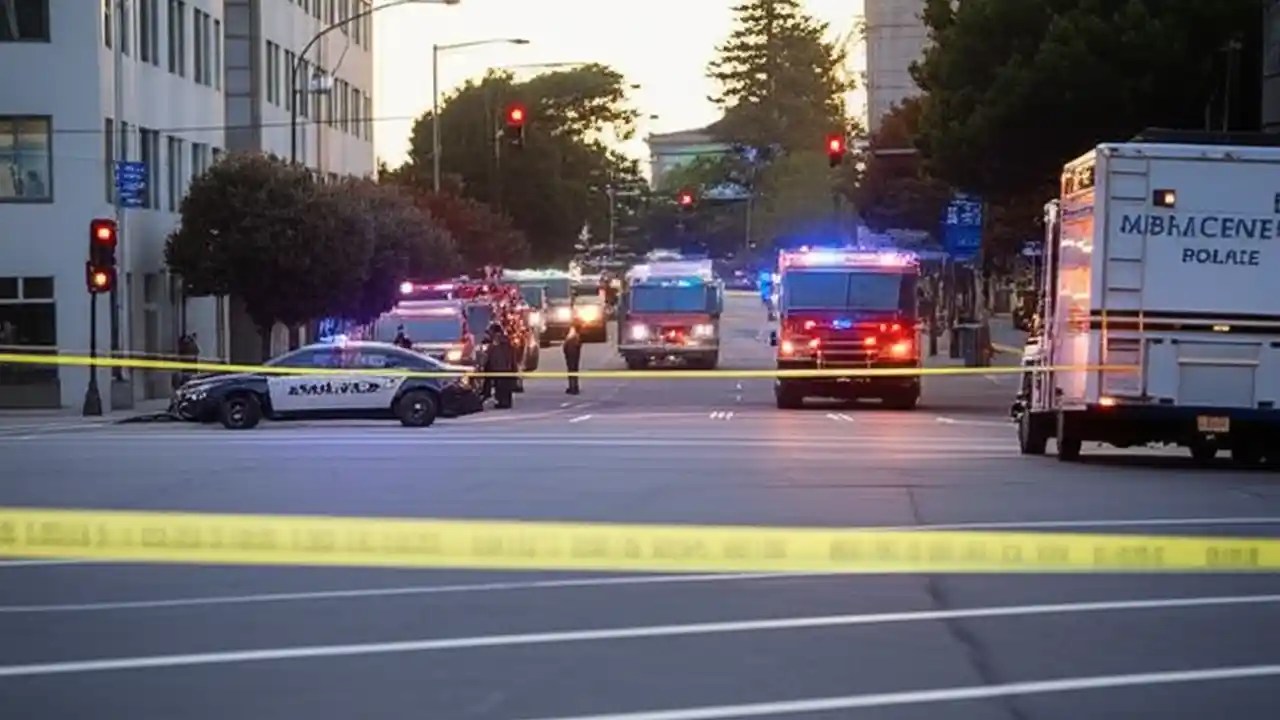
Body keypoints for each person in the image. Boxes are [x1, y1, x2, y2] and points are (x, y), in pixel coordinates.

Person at [483, 322, 517, 409]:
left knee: (500, 386)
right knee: (505, 387)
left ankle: (502, 401)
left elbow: (489, 355)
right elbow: (512, 355)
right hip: (507, 368)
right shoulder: (507, 341)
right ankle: (505, 401)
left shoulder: (495, 342)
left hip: (498, 368)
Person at [562, 320, 583, 395]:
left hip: (571, 352)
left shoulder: (571, 335)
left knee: (571, 369)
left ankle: (572, 387)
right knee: (575, 369)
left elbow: (566, 346)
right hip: (574, 352)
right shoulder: (577, 336)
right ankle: (575, 386)